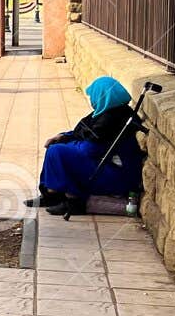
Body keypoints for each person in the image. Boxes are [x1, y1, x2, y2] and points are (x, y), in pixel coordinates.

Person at [27, 76, 144, 216]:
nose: (91, 100)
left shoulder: (112, 120)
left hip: (118, 178)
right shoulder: (109, 111)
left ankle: (73, 201)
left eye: (93, 96)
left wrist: (70, 144)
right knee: (56, 145)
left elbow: (89, 149)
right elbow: (82, 132)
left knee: (58, 152)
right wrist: (63, 137)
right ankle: (51, 195)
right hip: (108, 168)